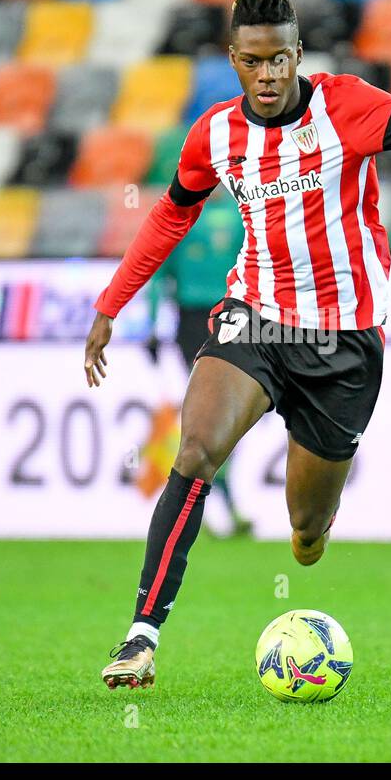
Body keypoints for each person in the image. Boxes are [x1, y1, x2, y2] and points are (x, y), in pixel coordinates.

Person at [85, 0, 391, 689]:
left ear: (299, 55)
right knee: (195, 450)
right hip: (255, 318)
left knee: (306, 536)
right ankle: (140, 636)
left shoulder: (343, 107)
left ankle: (313, 528)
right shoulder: (215, 136)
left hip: (343, 342)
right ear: (234, 60)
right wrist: (110, 305)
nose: (267, 73)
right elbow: (171, 215)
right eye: (253, 61)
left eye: (279, 58)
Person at [145, 196, 254, 538]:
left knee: (215, 418)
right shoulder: (239, 217)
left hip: (201, 320)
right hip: (221, 319)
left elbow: (158, 275)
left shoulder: (182, 216)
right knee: (219, 417)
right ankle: (215, 504)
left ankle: (205, 504)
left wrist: (151, 326)